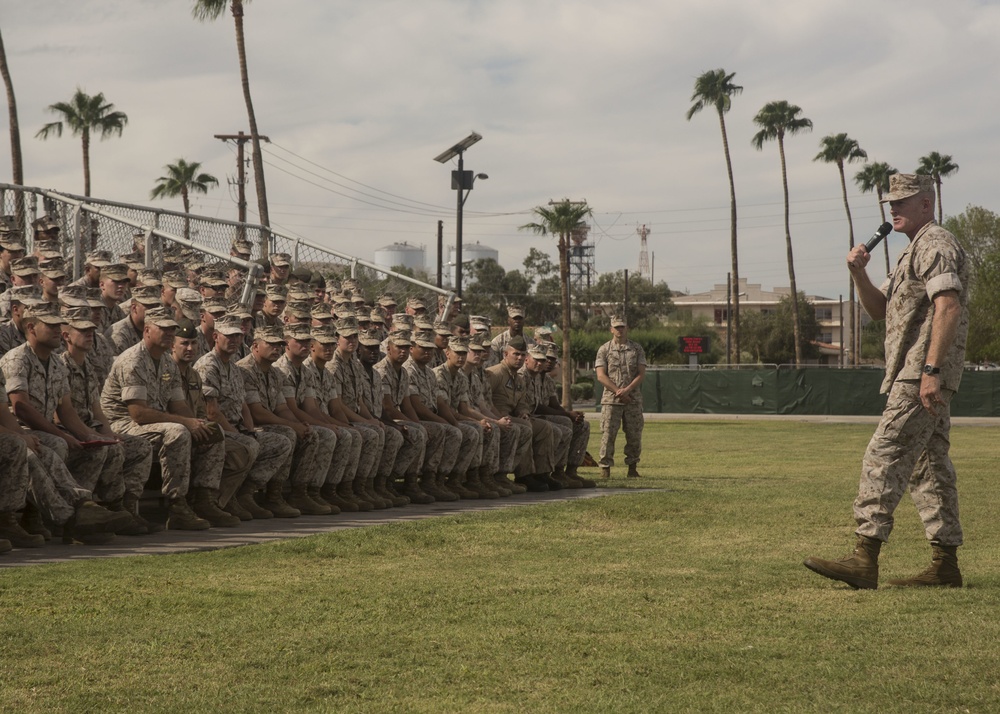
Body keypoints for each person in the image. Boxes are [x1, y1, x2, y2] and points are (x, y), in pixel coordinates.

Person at [804, 174, 970, 590]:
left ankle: (864, 557)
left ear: (926, 205)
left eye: (902, 202)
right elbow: (878, 310)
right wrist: (858, 273)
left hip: (920, 372)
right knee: (929, 467)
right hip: (914, 371)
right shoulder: (910, 251)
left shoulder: (935, 243)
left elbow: (948, 305)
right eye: (890, 203)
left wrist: (930, 371)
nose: (893, 209)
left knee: (885, 453)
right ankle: (944, 565)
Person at [595, 315, 646, 479]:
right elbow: (601, 376)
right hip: (611, 400)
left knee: (634, 434)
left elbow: (641, 373)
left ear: (627, 328)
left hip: (632, 399)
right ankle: (605, 469)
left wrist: (628, 390)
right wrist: (618, 391)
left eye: (622, 326)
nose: (619, 329)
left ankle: (632, 467)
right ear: (611, 329)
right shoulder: (604, 349)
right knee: (608, 434)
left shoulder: (636, 349)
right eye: (616, 327)